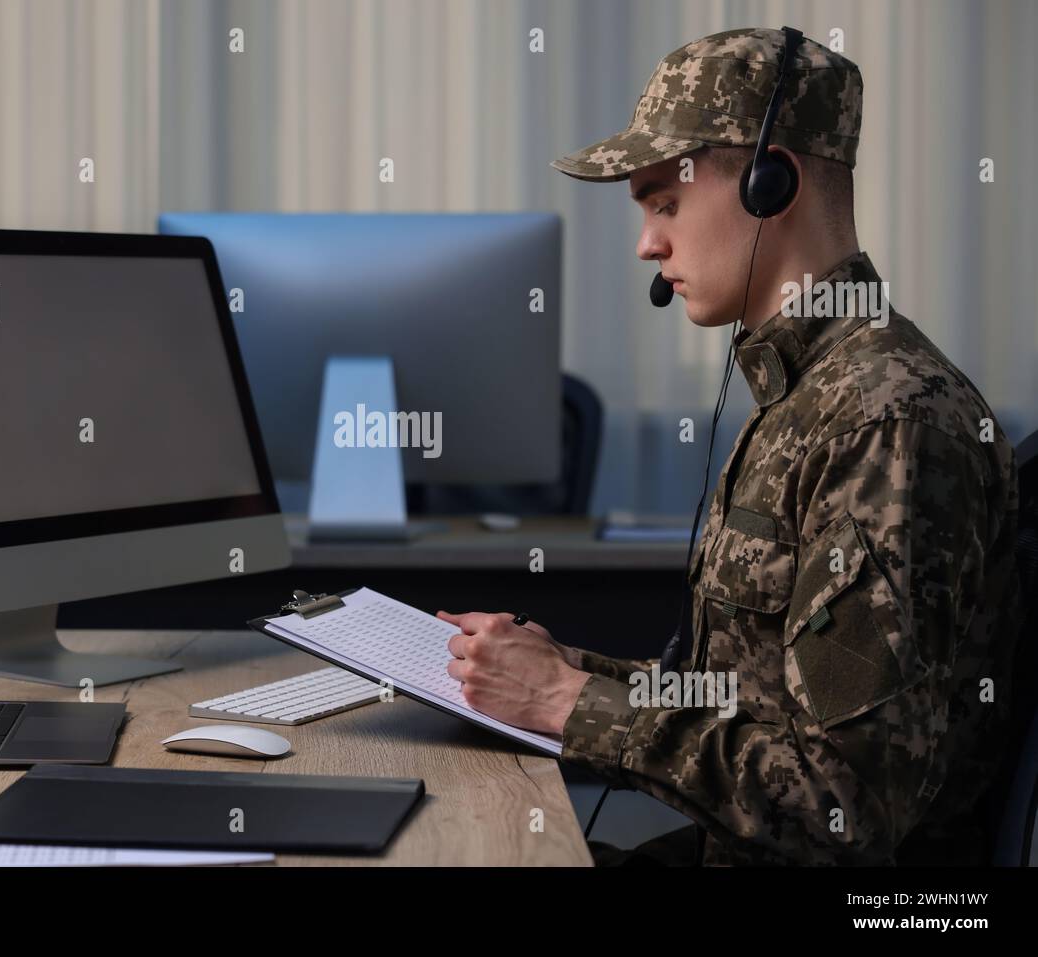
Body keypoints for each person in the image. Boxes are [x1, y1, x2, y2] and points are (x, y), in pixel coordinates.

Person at [438, 27, 1024, 866]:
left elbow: (840, 806)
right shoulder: (800, 394)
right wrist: (571, 669)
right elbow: (752, 708)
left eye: (664, 203)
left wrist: (572, 703)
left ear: (767, 183)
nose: (646, 243)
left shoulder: (886, 422)